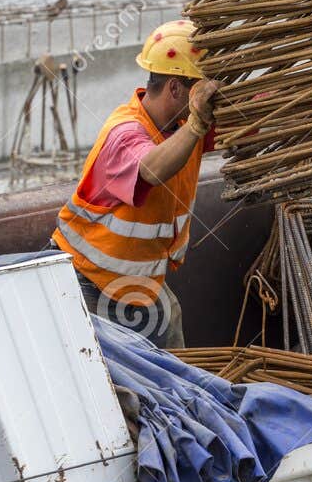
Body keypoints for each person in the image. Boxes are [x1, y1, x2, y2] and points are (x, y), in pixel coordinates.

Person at [51, 20, 219, 349]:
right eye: (199, 88)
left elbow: (246, 125)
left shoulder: (182, 127)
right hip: (91, 281)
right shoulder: (124, 133)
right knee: (120, 375)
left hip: (140, 281)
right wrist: (197, 123)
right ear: (176, 88)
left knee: (170, 340)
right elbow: (152, 169)